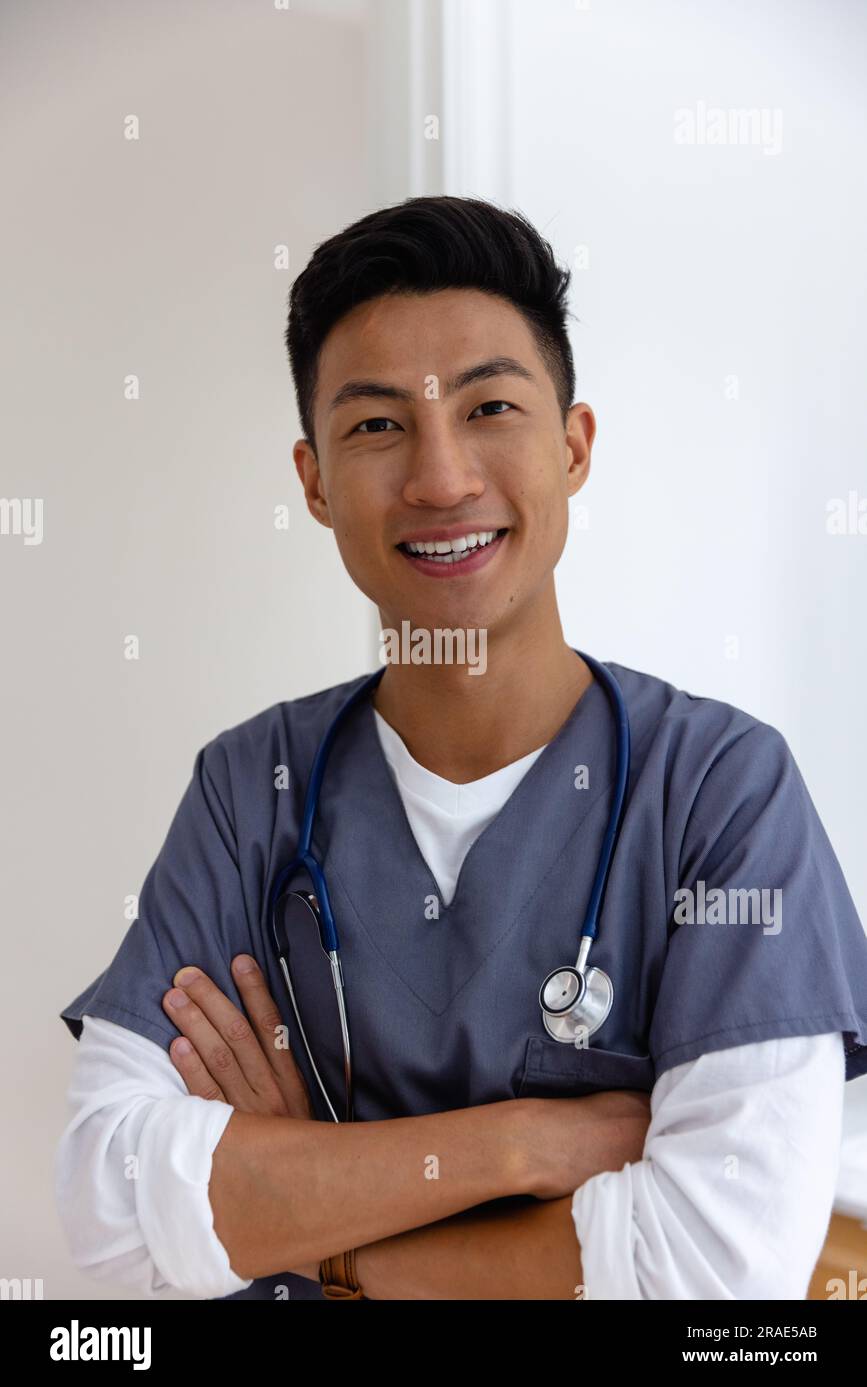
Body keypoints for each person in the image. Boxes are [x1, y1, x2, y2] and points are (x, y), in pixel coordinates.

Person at [56, 196, 867, 1301]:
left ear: (574, 447)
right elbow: (108, 1214)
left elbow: (720, 1262)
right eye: (378, 425)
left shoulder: (721, 794)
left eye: (489, 405)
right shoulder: (253, 791)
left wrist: (319, 1232)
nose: (441, 477)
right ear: (314, 481)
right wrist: (526, 1147)